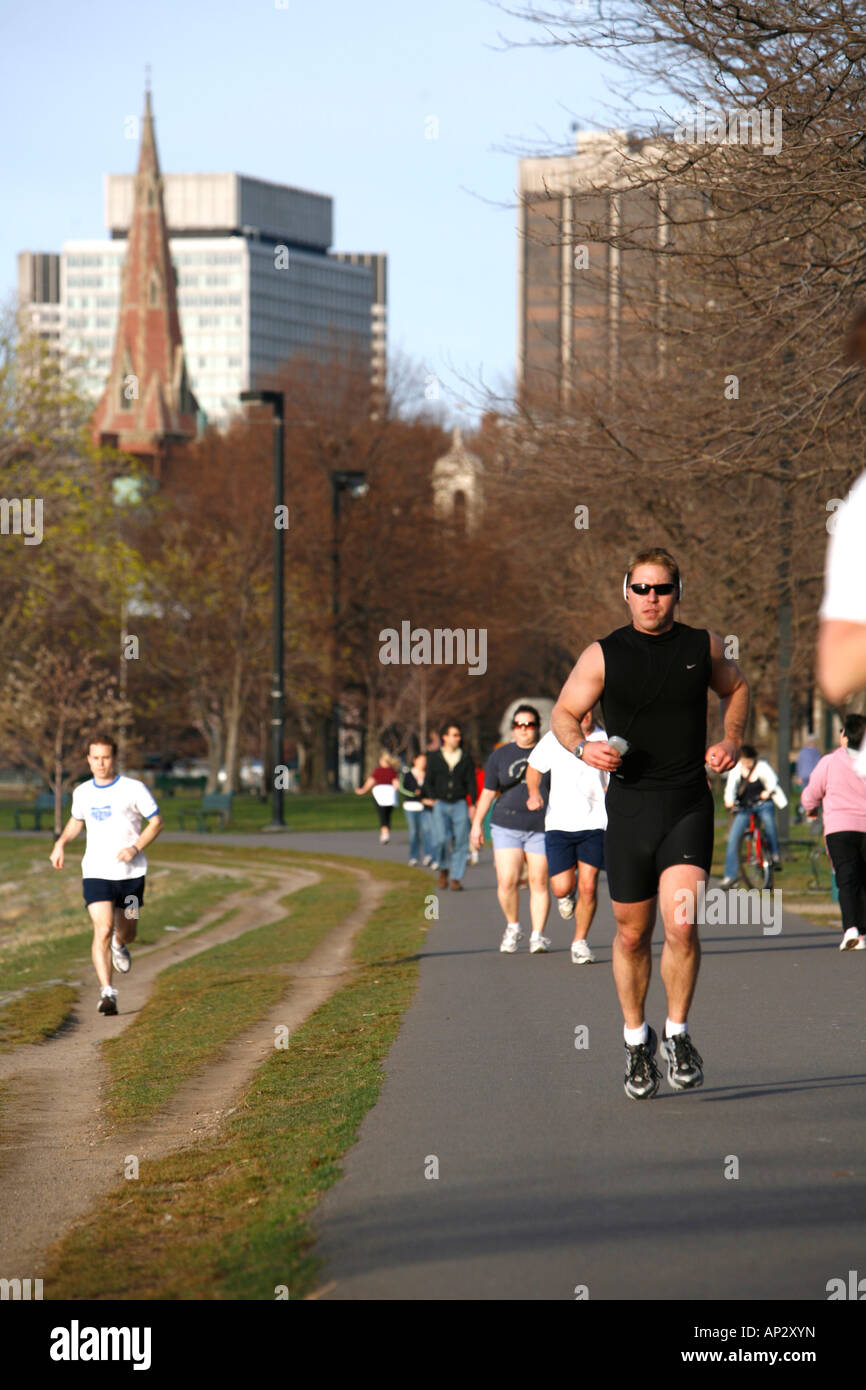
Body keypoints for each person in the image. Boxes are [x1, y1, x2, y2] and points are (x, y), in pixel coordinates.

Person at [551, 548, 749, 1100]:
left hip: (687, 804)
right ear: (626, 592)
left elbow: (736, 688)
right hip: (631, 810)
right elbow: (564, 714)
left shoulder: (701, 645)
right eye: (641, 588)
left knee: (682, 926)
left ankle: (678, 1035)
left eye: (661, 588)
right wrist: (582, 747)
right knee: (633, 934)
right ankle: (637, 1041)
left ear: (677, 593)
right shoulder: (604, 654)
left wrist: (730, 740)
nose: (651, 598)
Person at [49, 733, 163, 1016]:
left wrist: (135, 848)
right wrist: (61, 843)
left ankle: (119, 943)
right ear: (89, 759)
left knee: (129, 930)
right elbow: (76, 822)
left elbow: (157, 822)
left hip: (132, 875)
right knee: (102, 927)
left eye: (106, 758)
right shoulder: (83, 792)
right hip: (96, 872)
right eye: (95, 758)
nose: (100, 763)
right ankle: (107, 992)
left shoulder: (134, 789)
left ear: (114, 759)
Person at [526, 709, 608, 964]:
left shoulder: (606, 737)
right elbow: (534, 768)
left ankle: (580, 942)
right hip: (560, 823)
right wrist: (533, 793)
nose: (585, 714)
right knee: (561, 886)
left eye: (589, 709)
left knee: (589, 885)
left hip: (596, 821)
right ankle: (565, 896)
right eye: (580, 710)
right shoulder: (554, 738)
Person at [470, 705, 550, 954]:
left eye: (529, 724)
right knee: (507, 881)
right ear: (512, 728)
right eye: (519, 725)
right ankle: (513, 926)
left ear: (537, 727)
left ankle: (537, 935)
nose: (524, 730)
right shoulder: (500, 756)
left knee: (538, 881)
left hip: (541, 825)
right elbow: (488, 792)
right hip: (506, 824)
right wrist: (476, 825)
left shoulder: (550, 753)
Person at [801, 713, 866, 951]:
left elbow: (812, 791)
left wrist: (810, 810)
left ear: (845, 737)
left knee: (846, 879)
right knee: (863, 878)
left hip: (839, 828)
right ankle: (863, 932)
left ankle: (851, 929)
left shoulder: (830, 761)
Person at [720, 745, 785, 887]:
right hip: (745, 807)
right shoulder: (736, 769)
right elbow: (730, 788)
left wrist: (767, 792)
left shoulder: (762, 767)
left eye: (748, 761)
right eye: (743, 761)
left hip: (763, 804)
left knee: (768, 822)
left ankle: (774, 854)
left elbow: (772, 781)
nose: (746, 765)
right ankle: (730, 876)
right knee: (734, 838)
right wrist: (729, 801)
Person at [422, 722, 476, 891]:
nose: (456, 738)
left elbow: (471, 782)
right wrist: (433, 798)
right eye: (453, 735)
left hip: (460, 803)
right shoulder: (434, 757)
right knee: (441, 839)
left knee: (461, 841)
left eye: (458, 735)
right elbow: (428, 781)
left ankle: (456, 877)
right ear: (444, 737)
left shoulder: (465, 757)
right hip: (441, 803)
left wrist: (472, 803)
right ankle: (444, 869)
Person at [355, 752, 399, 843]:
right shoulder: (393, 771)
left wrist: (363, 790)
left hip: (380, 794)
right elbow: (396, 784)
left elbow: (370, 781)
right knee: (387, 814)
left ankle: (384, 833)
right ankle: (385, 832)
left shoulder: (378, 771)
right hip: (390, 795)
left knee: (382, 813)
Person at [399, 752, 433, 866]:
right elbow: (402, 788)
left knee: (427, 832)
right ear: (415, 760)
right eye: (421, 760)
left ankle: (428, 855)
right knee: (414, 833)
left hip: (425, 807)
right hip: (411, 807)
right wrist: (415, 795)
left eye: (425, 761)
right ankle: (414, 857)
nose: (423, 763)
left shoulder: (428, 774)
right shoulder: (407, 773)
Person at [794, 736, 822, 823]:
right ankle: (810, 815)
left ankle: (802, 810)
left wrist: (798, 776)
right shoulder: (816, 752)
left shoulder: (802, 751)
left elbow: (799, 764)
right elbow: (818, 764)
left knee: (805, 794)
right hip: (813, 776)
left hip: (803, 775)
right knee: (812, 795)